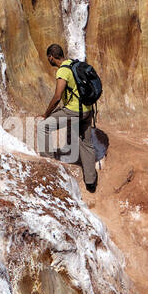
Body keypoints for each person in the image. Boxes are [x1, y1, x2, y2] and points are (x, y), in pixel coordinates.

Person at [40, 43, 98, 193]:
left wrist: (46, 114)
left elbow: (57, 96)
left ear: (51, 57)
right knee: (87, 143)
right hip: (87, 110)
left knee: (44, 127)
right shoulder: (73, 64)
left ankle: (48, 166)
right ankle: (91, 182)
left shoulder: (63, 71)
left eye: (49, 58)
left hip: (74, 112)